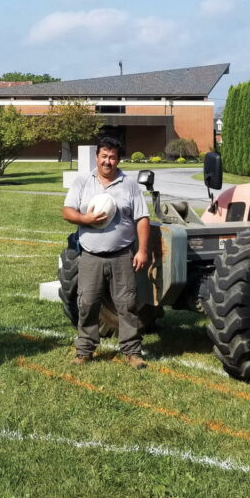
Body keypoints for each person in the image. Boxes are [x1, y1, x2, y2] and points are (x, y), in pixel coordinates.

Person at [63, 135, 150, 369]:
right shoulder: (83, 182)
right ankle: (84, 350)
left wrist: (142, 251)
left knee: (127, 304)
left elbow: (142, 218)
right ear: (97, 157)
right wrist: (86, 219)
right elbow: (67, 211)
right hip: (91, 255)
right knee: (87, 303)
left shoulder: (129, 185)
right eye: (104, 156)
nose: (107, 161)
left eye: (112, 157)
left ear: (118, 159)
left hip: (122, 255)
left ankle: (132, 351)